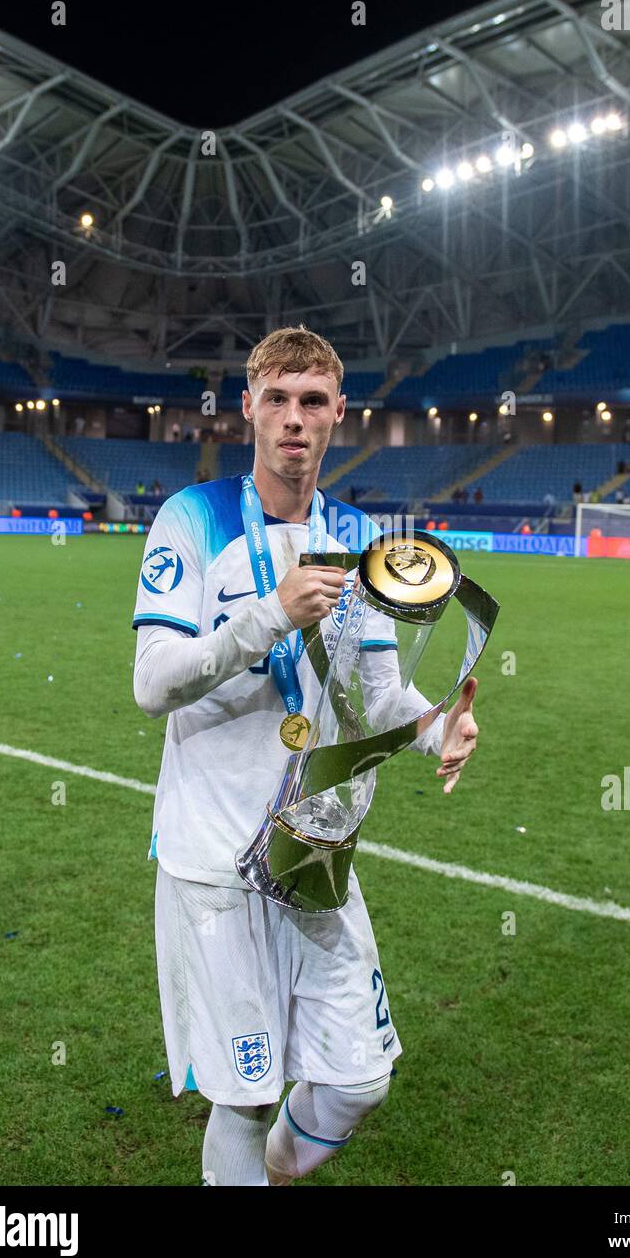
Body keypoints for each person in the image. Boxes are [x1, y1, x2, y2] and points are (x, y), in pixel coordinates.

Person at [131, 326, 481, 1188]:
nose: (295, 419)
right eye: (278, 399)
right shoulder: (194, 518)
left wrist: (438, 728)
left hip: (312, 850)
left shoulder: (358, 535)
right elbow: (153, 684)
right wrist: (270, 617)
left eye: (313, 401)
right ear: (247, 407)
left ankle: (271, 1175)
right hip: (215, 857)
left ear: (338, 416)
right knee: (244, 1096)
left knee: (360, 1077)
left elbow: (376, 689)